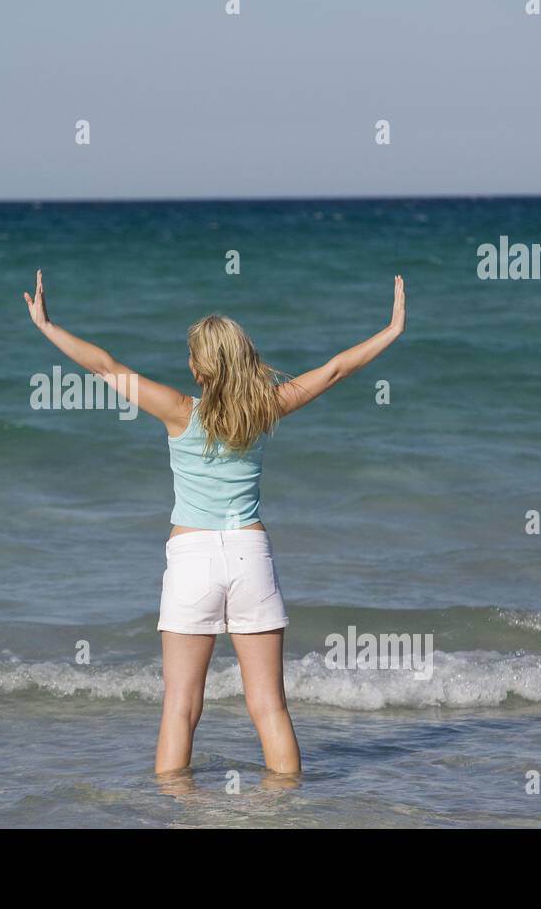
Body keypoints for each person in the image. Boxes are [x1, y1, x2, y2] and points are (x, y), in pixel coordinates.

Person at [23, 270, 406, 774]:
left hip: (192, 560)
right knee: (269, 705)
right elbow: (334, 370)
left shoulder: (178, 411)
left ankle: (176, 811)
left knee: (181, 708)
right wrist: (392, 329)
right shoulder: (266, 408)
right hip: (251, 558)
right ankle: (288, 813)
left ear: (198, 368)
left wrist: (48, 327)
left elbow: (104, 365)